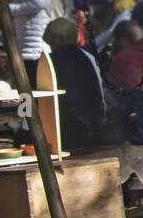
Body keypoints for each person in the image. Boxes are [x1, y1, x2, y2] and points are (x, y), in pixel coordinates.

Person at [42, 18, 107, 150]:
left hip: (65, 132)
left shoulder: (48, 62)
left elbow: (41, 99)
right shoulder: (89, 57)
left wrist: (25, 129)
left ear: (53, 39)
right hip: (94, 127)